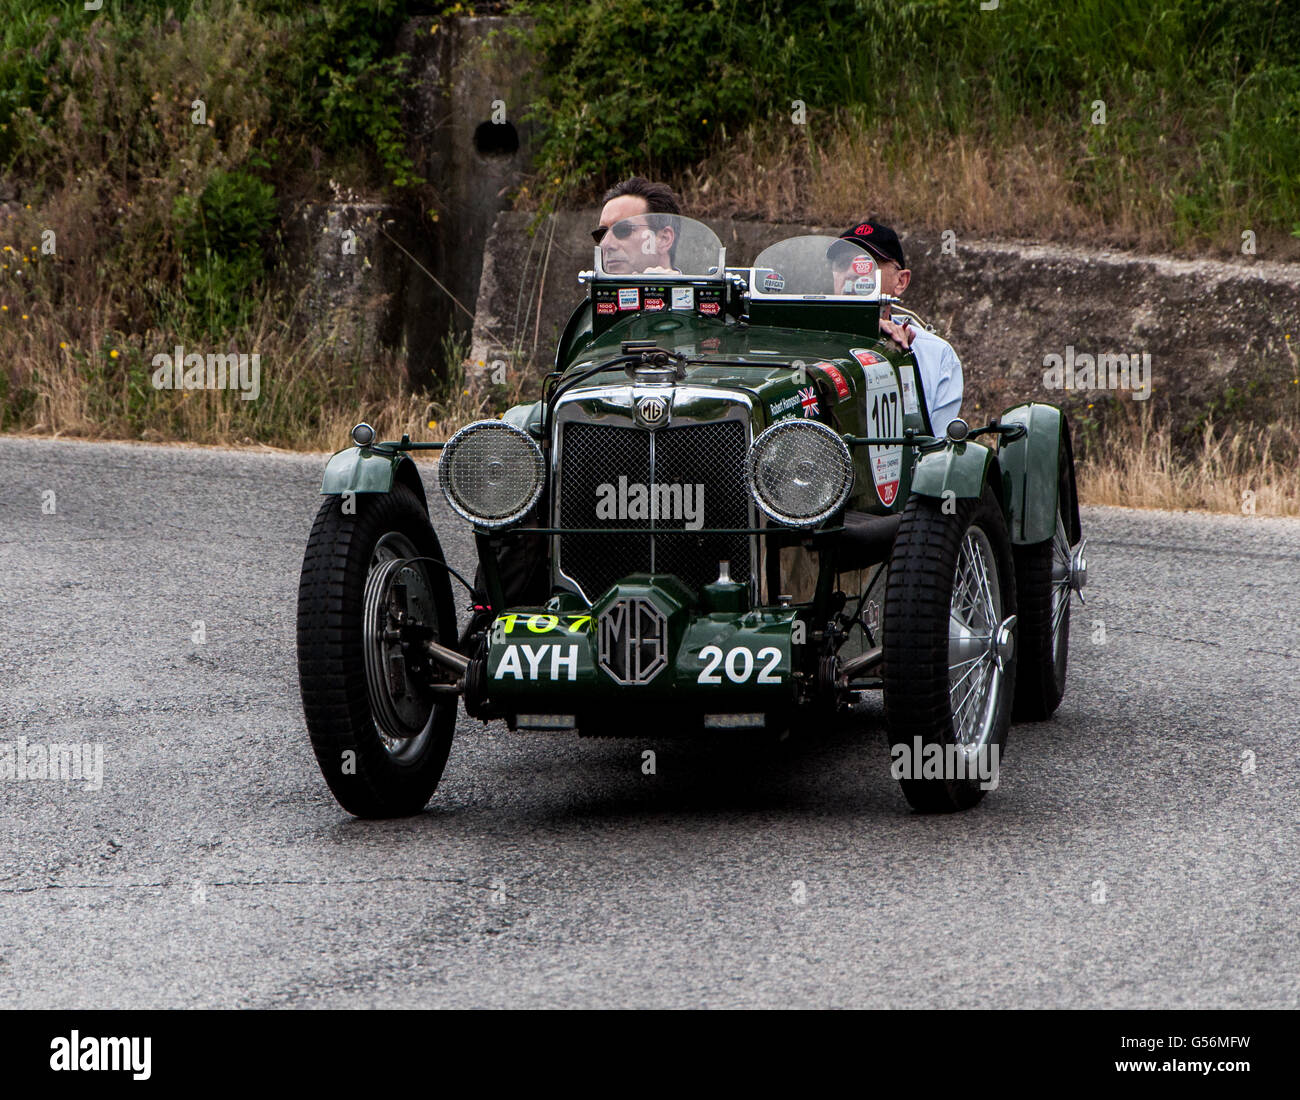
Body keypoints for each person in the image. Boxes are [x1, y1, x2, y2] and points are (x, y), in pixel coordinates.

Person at [827, 221, 964, 433]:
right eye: (843, 263)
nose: (853, 273)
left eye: (868, 263)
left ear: (901, 281)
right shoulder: (807, 342)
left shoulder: (938, 356)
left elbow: (935, 452)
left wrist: (895, 359)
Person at [592, 177, 682, 274]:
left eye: (622, 230)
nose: (605, 243)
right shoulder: (593, 288)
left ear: (664, 239)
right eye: (601, 234)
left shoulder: (698, 287)